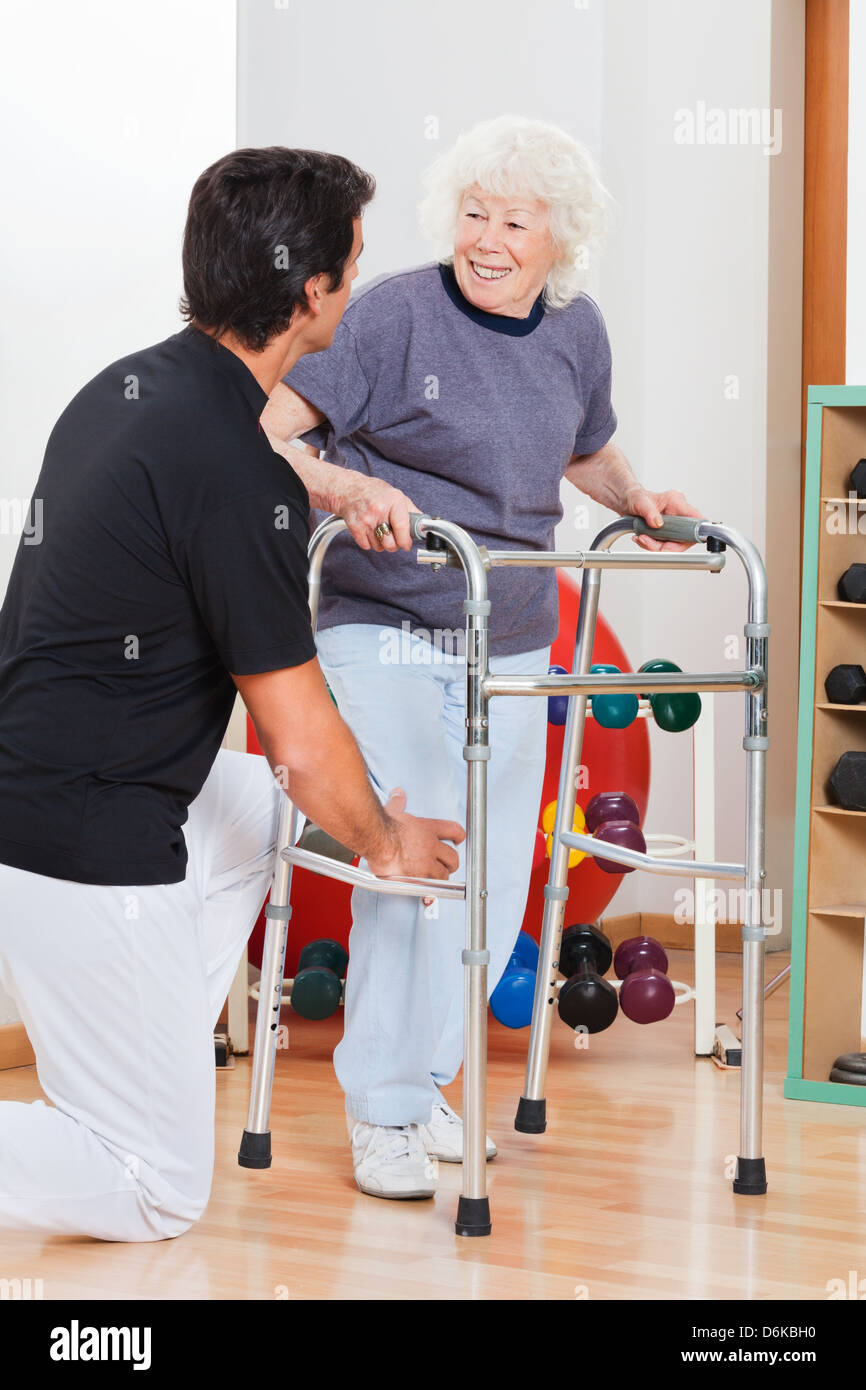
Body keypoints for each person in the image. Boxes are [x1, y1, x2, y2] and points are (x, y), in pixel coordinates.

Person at [0, 146, 464, 1243]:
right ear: (309, 292)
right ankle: (129, 1123)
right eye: (352, 265)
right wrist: (386, 841)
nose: (358, 283)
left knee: (265, 812)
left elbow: (286, 776)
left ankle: (149, 1045)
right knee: (158, 1191)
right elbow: (301, 736)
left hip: (51, 792)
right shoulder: (229, 462)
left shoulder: (127, 390)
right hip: (82, 836)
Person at [261, 115, 704, 1201]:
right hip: (381, 620)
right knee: (413, 855)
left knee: (495, 871)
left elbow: (582, 448)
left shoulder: (573, 329)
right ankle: (382, 1112)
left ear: (561, 239)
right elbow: (270, 428)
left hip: (507, 632)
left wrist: (635, 496)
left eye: (514, 219)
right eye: (473, 212)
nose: (488, 238)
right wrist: (348, 488)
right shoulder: (393, 315)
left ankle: (426, 1082)